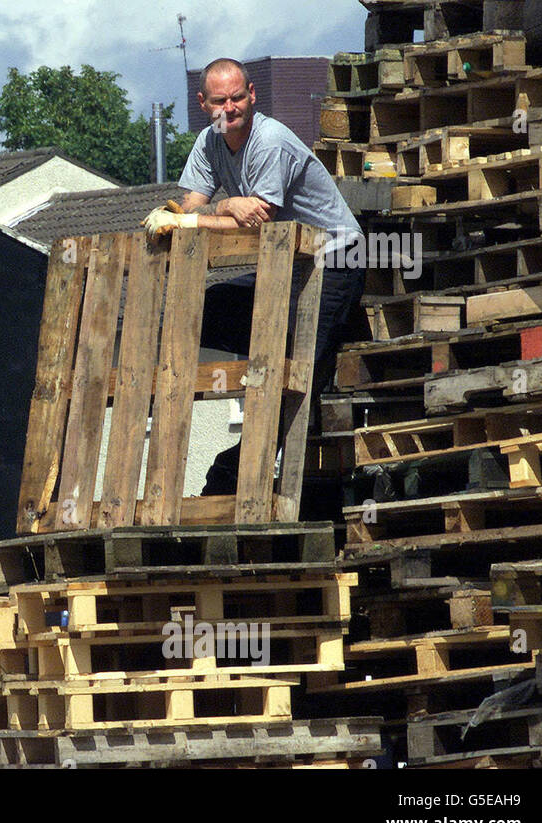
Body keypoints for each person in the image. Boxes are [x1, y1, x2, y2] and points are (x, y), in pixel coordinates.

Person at [142, 57, 367, 495]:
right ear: (203, 102)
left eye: (238, 97)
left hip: (335, 260)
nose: (230, 108)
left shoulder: (270, 141)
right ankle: (258, 378)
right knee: (209, 307)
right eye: (220, 100)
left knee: (296, 372)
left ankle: (237, 471)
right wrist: (221, 207)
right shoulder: (209, 143)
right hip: (286, 265)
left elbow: (258, 221)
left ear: (253, 96)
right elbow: (189, 208)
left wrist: (202, 217)